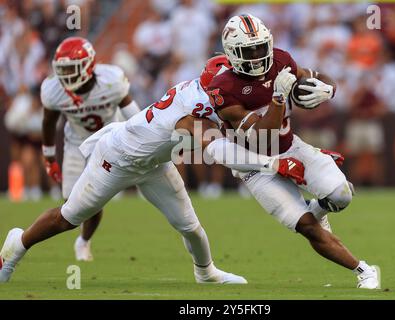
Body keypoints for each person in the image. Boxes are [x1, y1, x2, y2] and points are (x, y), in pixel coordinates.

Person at [0, 55, 305, 284]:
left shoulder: (204, 94)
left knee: (190, 227)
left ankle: (206, 273)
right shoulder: (192, 112)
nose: (236, 93)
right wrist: (273, 163)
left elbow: (240, 125)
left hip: (154, 163)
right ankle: (18, 243)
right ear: (215, 87)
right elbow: (218, 150)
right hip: (117, 160)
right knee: (69, 217)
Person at [206, 14, 380, 289]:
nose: (256, 55)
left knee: (341, 195)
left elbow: (313, 76)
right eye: (248, 50)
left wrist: (328, 89)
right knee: (307, 227)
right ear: (232, 53)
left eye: (260, 47)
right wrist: (277, 98)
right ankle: (364, 270)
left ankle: (318, 207)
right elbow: (263, 135)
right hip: (256, 166)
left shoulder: (280, 59)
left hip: (292, 148)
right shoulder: (223, 88)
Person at [41, 37, 141, 261]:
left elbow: (133, 115)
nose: (66, 75)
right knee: (71, 205)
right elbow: (49, 121)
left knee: (92, 199)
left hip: (108, 142)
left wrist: (144, 138)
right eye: (62, 70)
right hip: (76, 144)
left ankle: (84, 241)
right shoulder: (53, 89)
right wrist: (49, 157)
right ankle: (81, 237)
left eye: (71, 68)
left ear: (88, 65)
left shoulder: (111, 80)